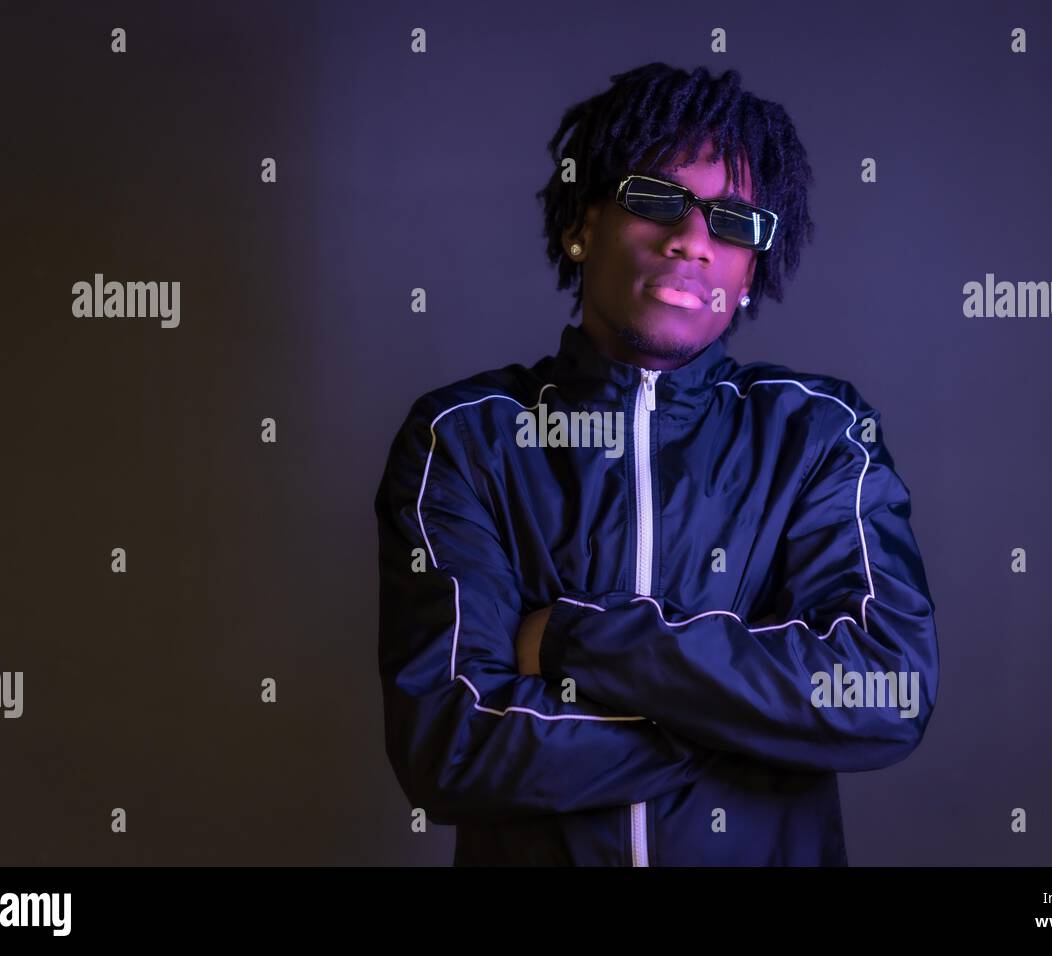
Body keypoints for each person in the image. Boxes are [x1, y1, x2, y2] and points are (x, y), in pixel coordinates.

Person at [375, 62, 939, 865]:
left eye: (734, 221)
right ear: (583, 223)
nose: (691, 239)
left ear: (753, 271)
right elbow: (452, 744)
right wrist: (752, 721)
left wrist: (575, 643)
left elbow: (884, 693)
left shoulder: (817, 432)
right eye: (654, 198)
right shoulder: (465, 437)